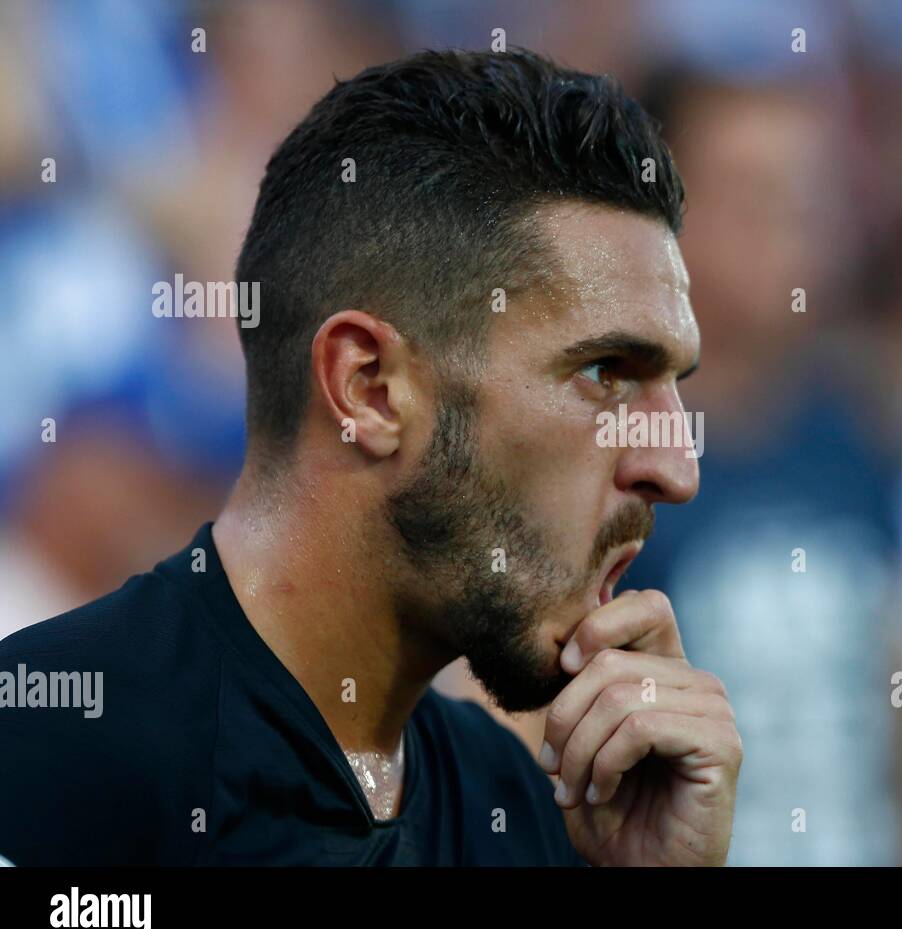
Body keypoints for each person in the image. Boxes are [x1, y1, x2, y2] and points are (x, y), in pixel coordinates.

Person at [0, 47, 741, 866]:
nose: (678, 469)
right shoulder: (38, 754)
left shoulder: (535, 809)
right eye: (607, 374)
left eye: (676, 387)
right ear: (370, 388)